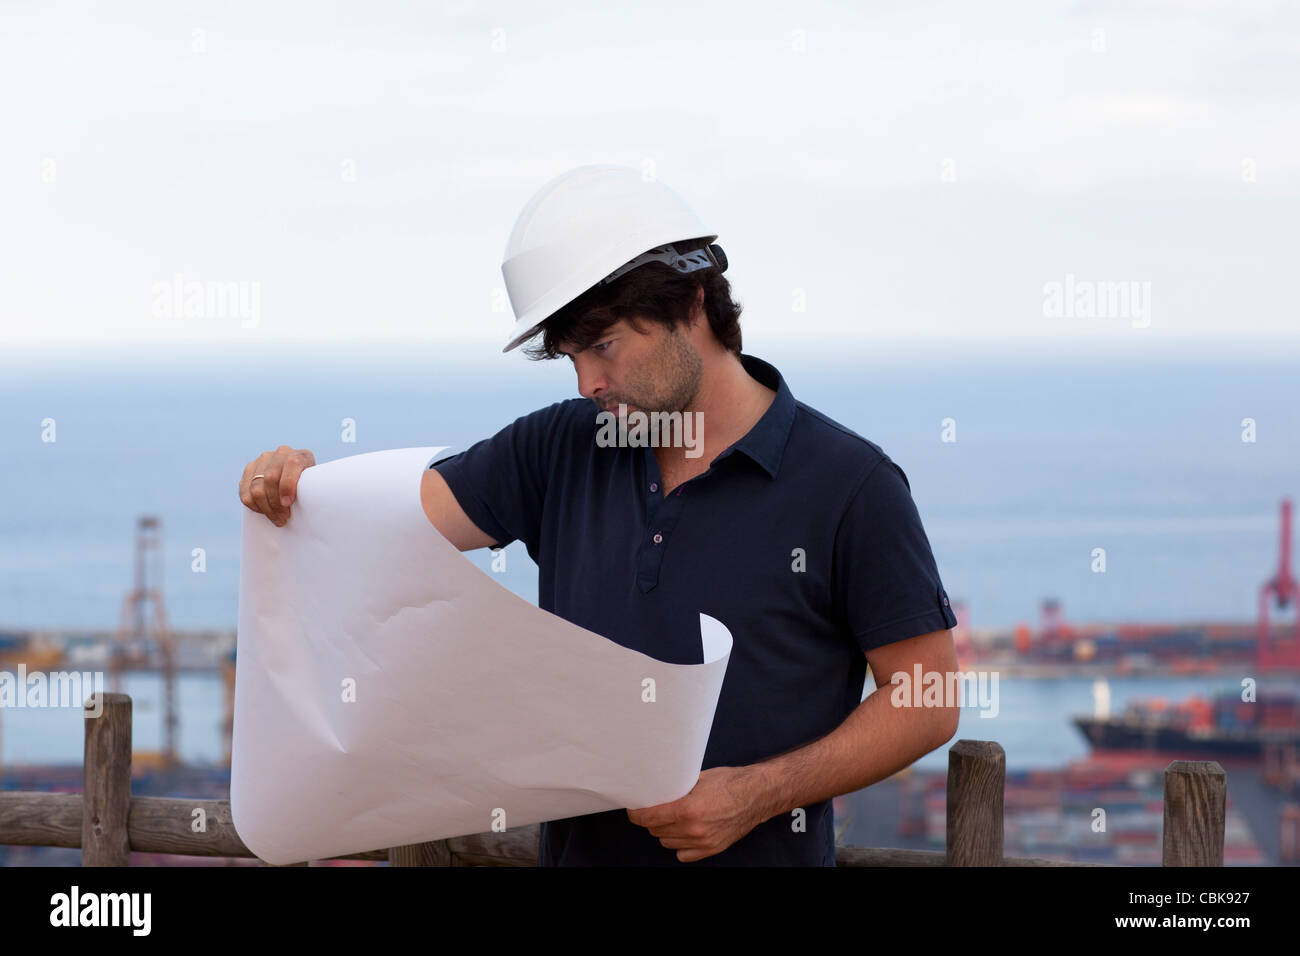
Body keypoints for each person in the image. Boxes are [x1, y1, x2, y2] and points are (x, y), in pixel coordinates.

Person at [239, 164, 960, 866]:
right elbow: (384, 521)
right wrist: (302, 484)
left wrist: (759, 793)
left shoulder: (850, 485)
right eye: (571, 357)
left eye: (605, 345)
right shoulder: (561, 448)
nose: (587, 383)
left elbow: (927, 699)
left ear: (692, 303)